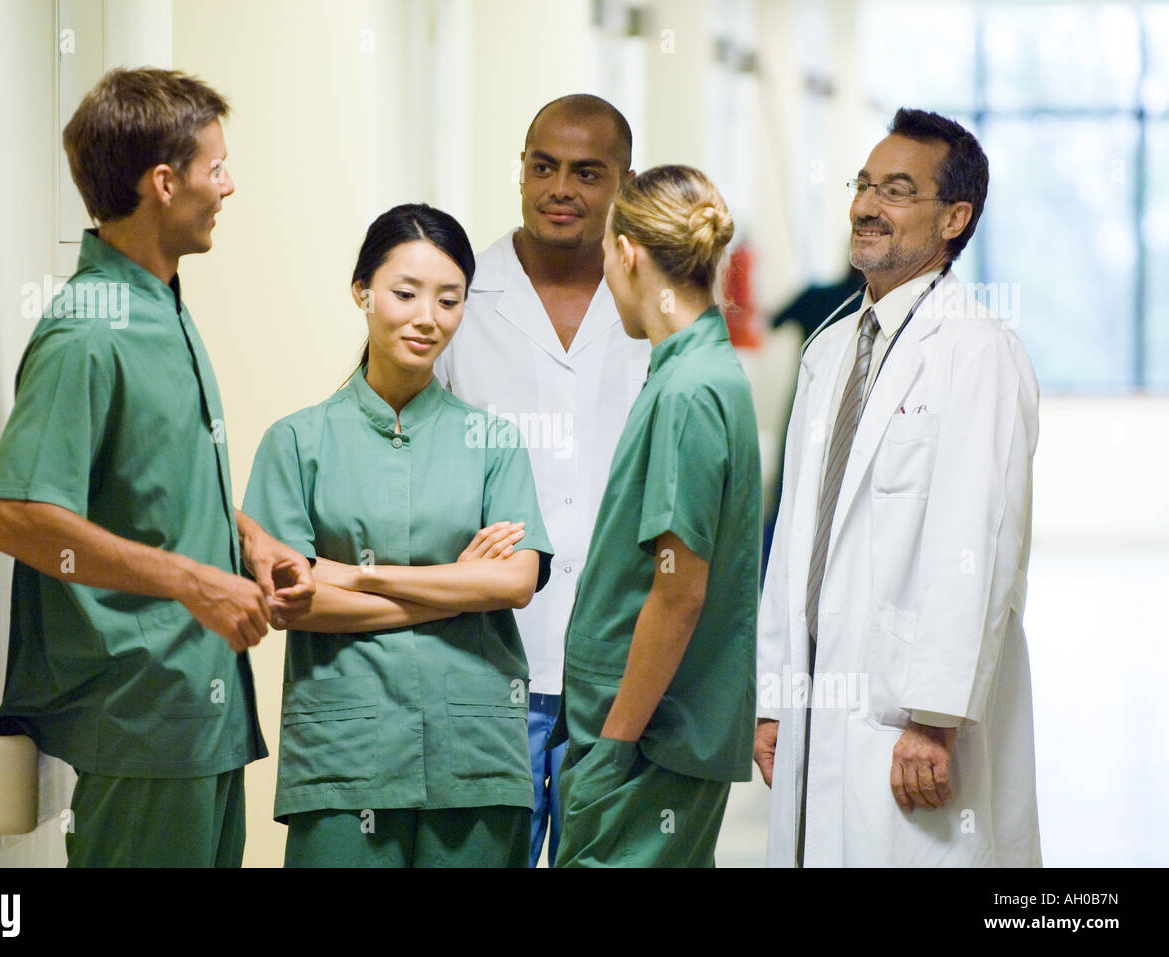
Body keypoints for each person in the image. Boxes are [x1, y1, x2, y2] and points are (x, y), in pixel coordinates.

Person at [0, 68, 315, 867]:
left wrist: (248, 542)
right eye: (215, 167)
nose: (229, 186)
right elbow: (15, 517)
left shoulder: (161, 303)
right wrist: (195, 583)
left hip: (202, 714)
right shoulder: (89, 332)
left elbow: (150, 489)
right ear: (163, 183)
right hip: (142, 716)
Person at [755, 108, 1042, 867]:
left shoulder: (977, 352)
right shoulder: (830, 350)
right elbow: (794, 545)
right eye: (865, 184)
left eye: (898, 190)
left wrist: (935, 714)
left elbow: (978, 543)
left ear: (955, 218)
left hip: (902, 718)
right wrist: (773, 697)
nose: (866, 205)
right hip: (816, 707)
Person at [242, 203, 555, 868]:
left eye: (449, 299)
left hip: (473, 754)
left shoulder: (491, 439)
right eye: (404, 293)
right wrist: (462, 588)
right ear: (362, 291)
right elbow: (293, 600)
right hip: (344, 755)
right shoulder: (297, 442)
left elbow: (516, 581)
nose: (427, 317)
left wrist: (354, 573)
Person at [434, 93, 651, 866]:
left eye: (587, 172)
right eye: (543, 166)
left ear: (624, 184)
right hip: (489, 662)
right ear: (521, 172)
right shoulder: (457, 296)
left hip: (620, 664)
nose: (561, 188)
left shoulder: (657, 309)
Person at [549, 165, 761, 867]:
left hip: (645, 746)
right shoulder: (695, 370)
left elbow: (679, 591)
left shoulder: (689, 392)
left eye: (606, 254)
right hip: (654, 739)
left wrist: (611, 746)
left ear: (628, 253)